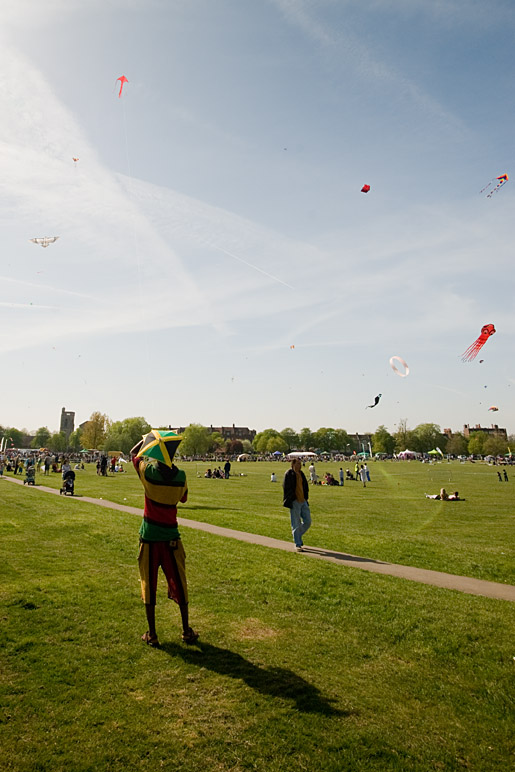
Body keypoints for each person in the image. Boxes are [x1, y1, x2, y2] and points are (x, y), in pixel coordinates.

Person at [131, 439, 198, 648]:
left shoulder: (149, 472)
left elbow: (135, 455)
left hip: (150, 537)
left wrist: (147, 440)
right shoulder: (181, 476)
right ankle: (186, 630)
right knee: (180, 582)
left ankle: (152, 634)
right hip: (171, 537)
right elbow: (184, 498)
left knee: (148, 584)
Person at [283, 458, 311, 552]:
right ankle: (298, 544)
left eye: (300, 464)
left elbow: (305, 486)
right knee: (296, 523)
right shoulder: (289, 474)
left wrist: (306, 497)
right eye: (298, 464)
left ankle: (297, 535)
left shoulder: (301, 474)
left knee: (308, 521)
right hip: (295, 501)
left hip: (303, 500)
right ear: (293, 464)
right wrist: (292, 497)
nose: (300, 465)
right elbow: (286, 487)